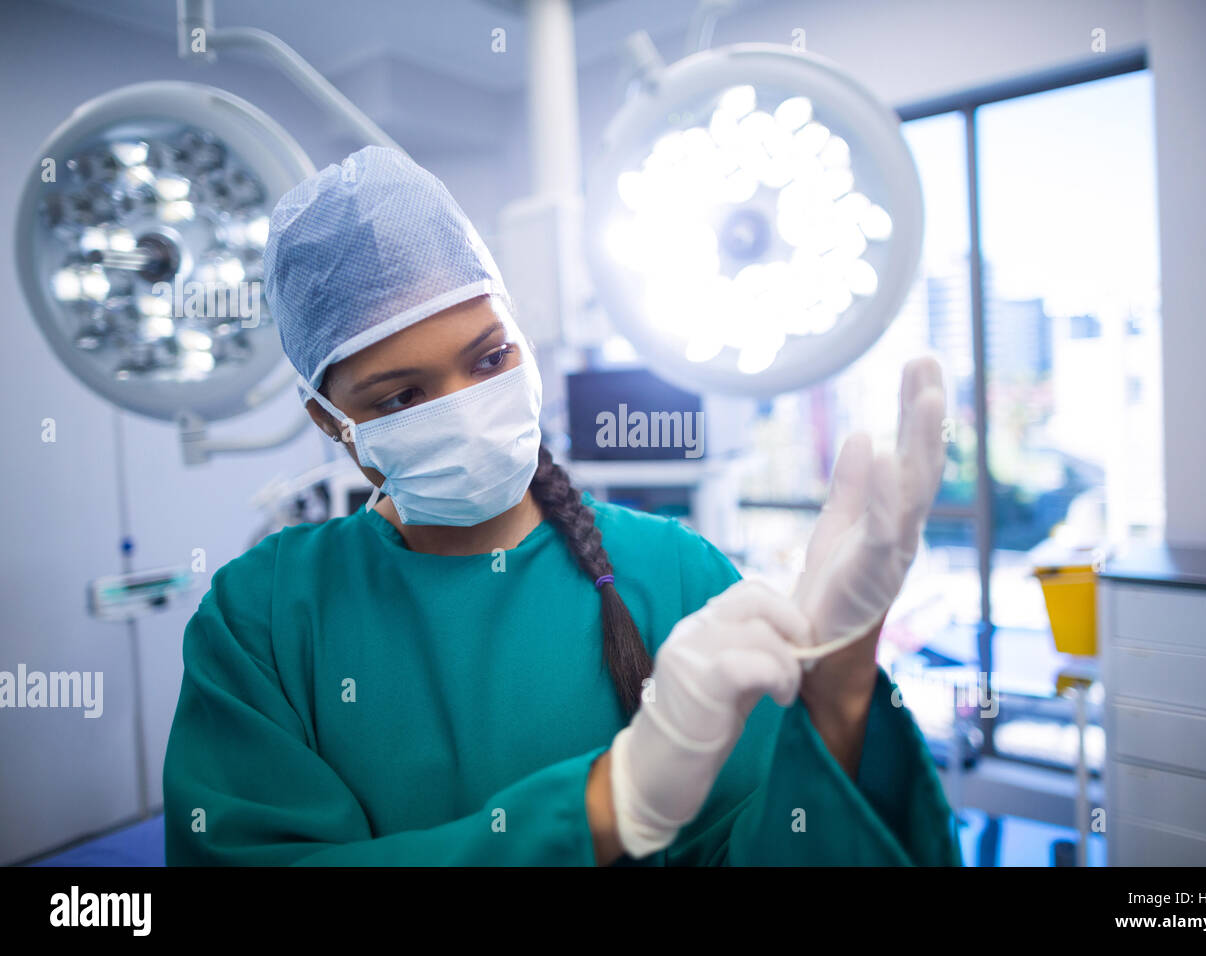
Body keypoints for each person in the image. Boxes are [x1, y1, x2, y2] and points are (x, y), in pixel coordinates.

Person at [162, 145, 961, 866]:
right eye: (402, 396)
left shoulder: (674, 575)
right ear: (333, 425)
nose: (465, 405)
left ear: (524, 338)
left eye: (490, 357)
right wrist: (609, 808)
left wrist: (844, 691)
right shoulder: (263, 616)